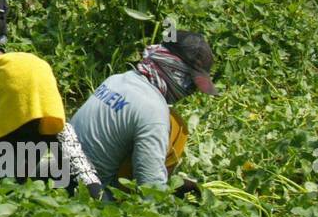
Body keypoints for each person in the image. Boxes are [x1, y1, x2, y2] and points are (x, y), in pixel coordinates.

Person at [0, 51, 107, 199]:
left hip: (17, 179)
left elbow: (86, 177)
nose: (35, 118)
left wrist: (99, 209)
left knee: (59, 163)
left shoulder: (54, 123)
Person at [71, 33, 219, 190]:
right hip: (84, 195)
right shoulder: (153, 110)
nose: (190, 92)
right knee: (177, 128)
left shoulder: (117, 79)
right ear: (175, 70)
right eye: (192, 84)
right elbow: (150, 190)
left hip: (55, 175)